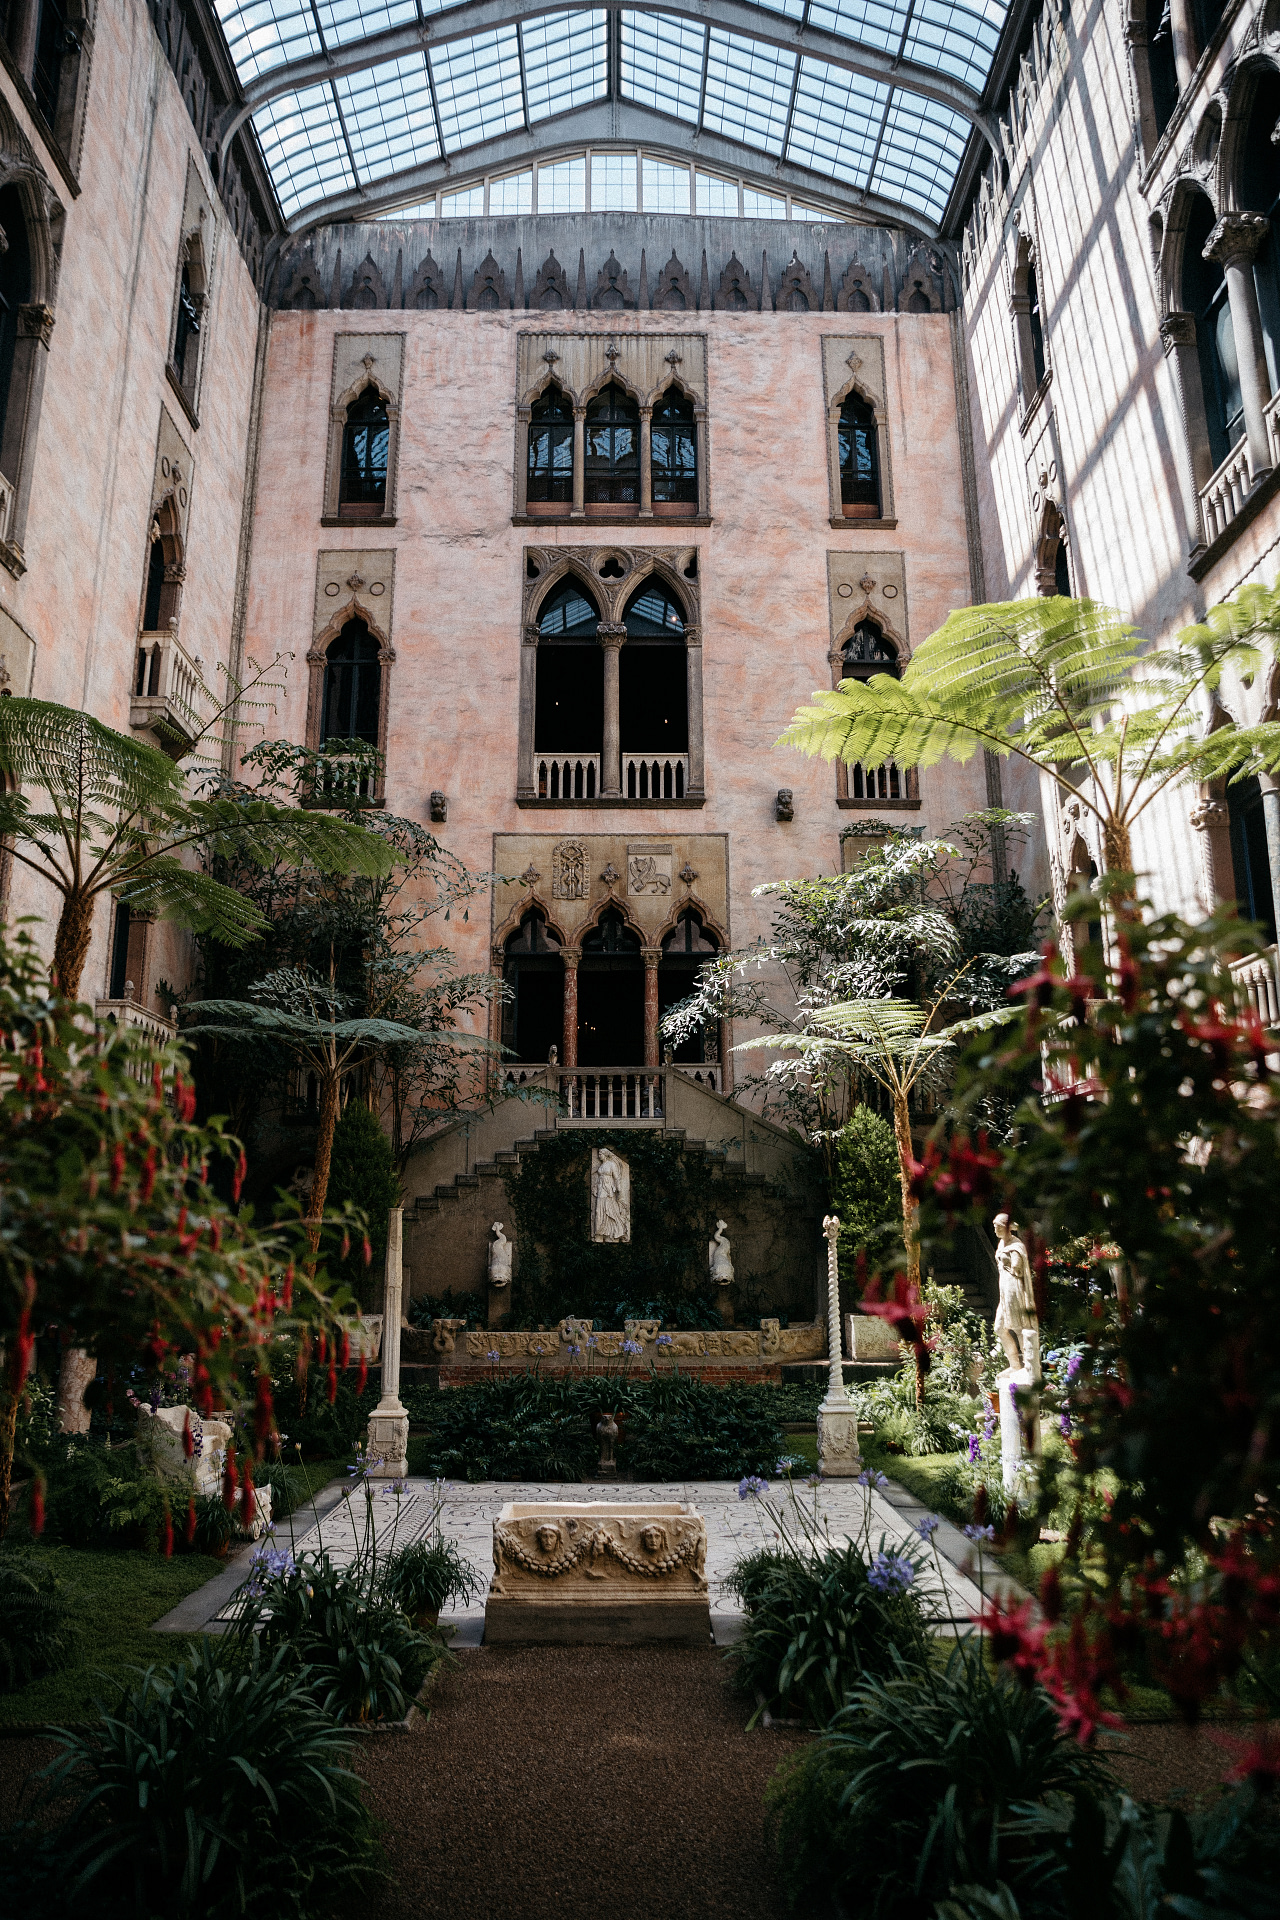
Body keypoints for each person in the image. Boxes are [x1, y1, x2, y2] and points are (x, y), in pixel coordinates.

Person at [992, 1212, 1037, 1372]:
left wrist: (1010, 1262)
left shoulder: (1016, 1246)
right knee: (999, 1328)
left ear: (1006, 1228)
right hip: (1004, 1290)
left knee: (1019, 1327)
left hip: (1014, 1289)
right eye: (994, 1227)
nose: (995, 1230)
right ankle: (1015, 1365)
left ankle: (1029, 1366)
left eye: (998, 1227)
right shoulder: (1001, 1245)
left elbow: (1018, 1269)